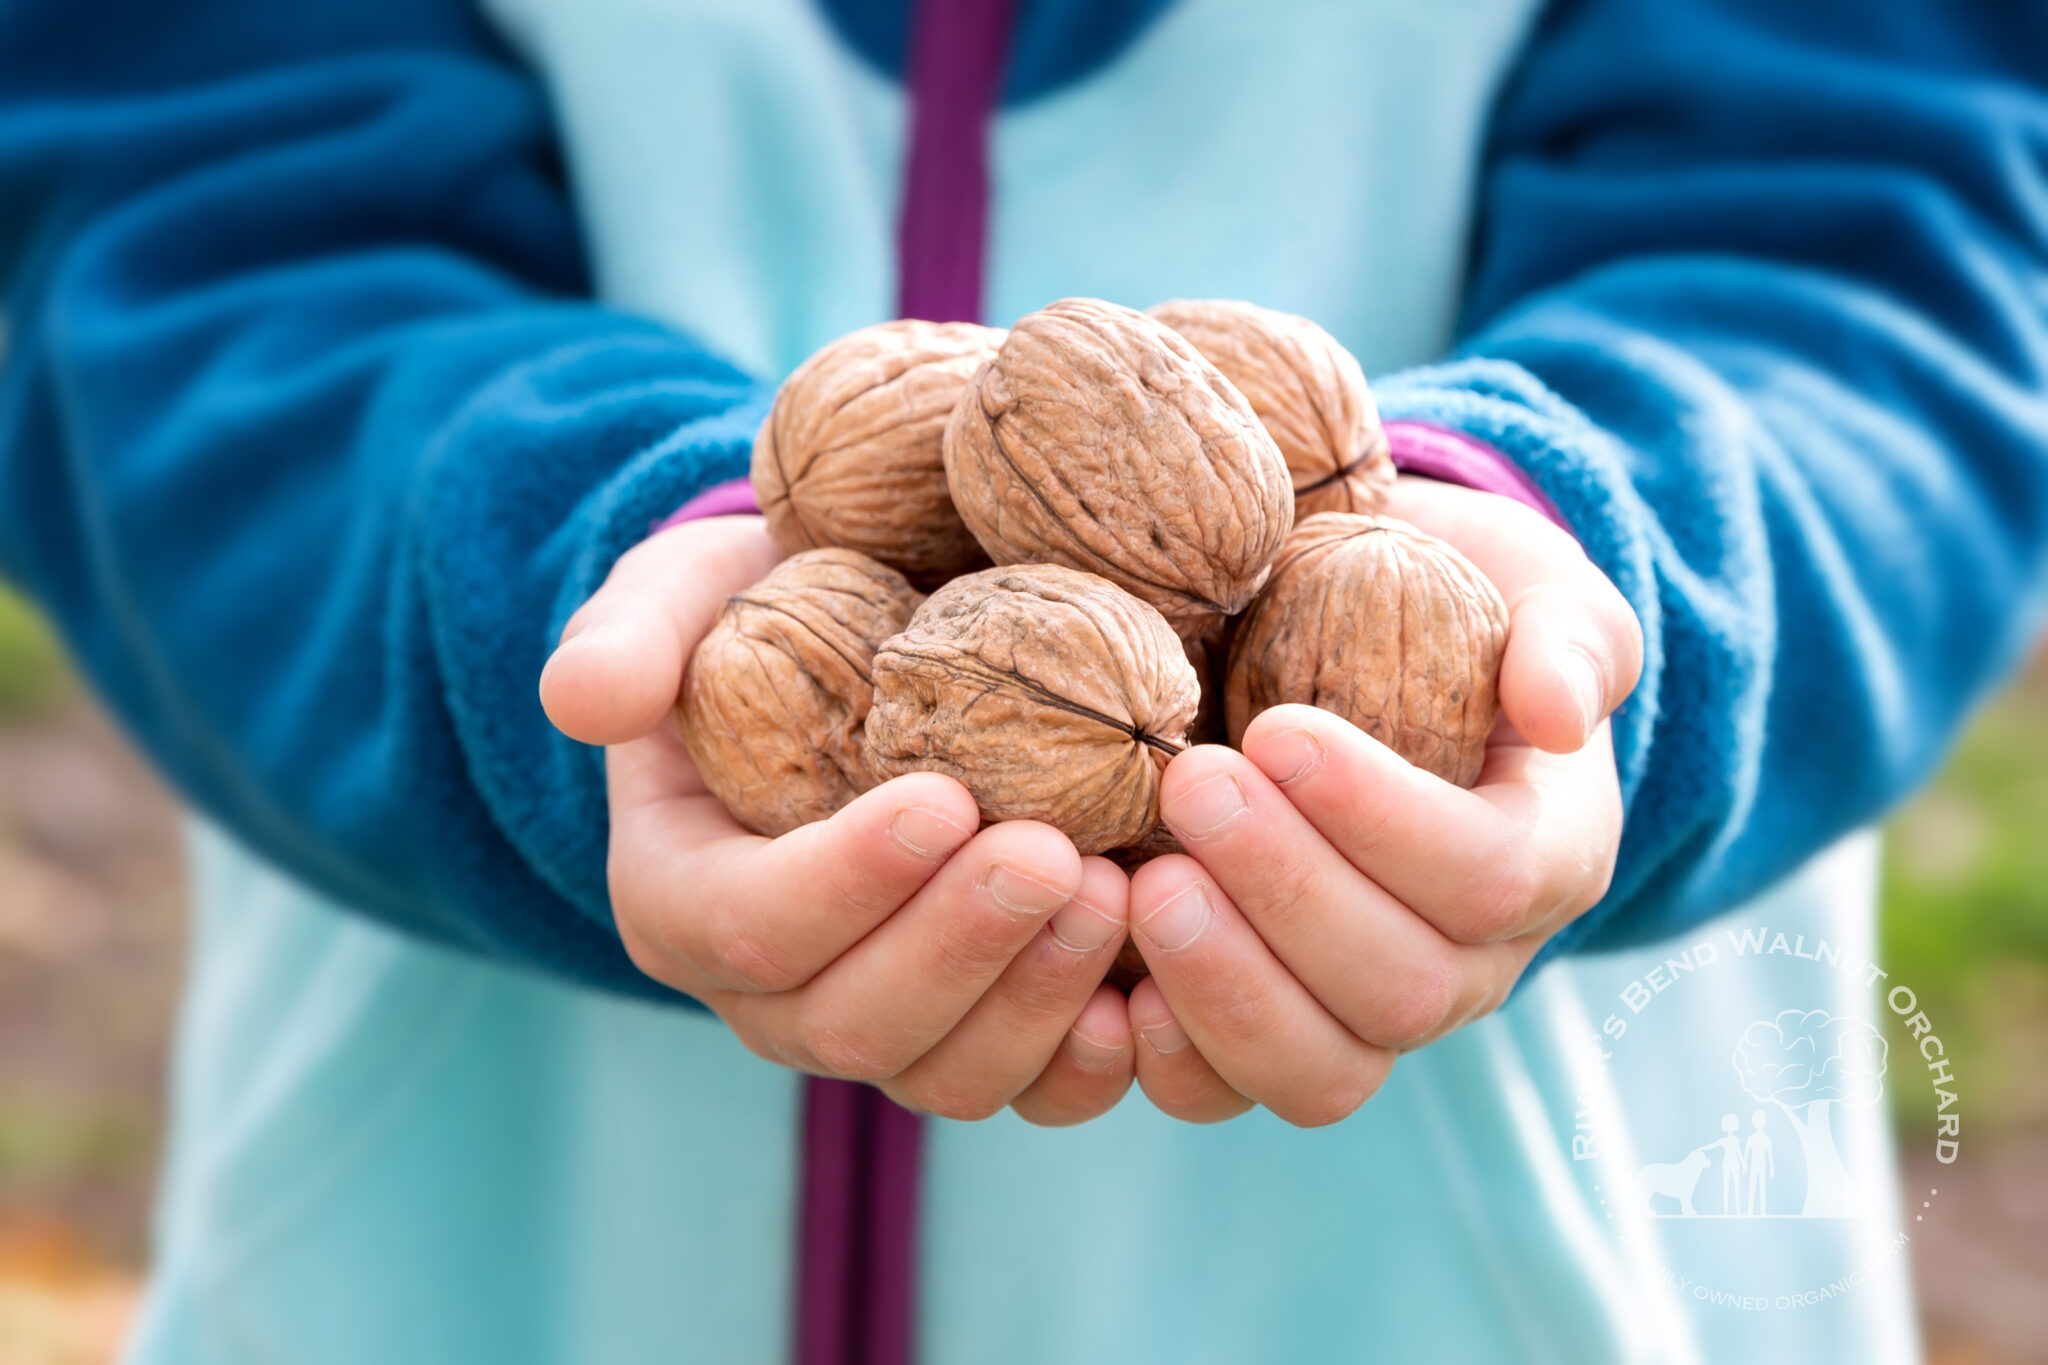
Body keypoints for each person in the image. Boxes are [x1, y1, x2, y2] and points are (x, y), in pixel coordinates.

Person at [2, 1, 2043, 1362]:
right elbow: (176, 247)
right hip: (479, 1270)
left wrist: (1582, 577)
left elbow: (1878, 254)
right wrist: (561, 586)